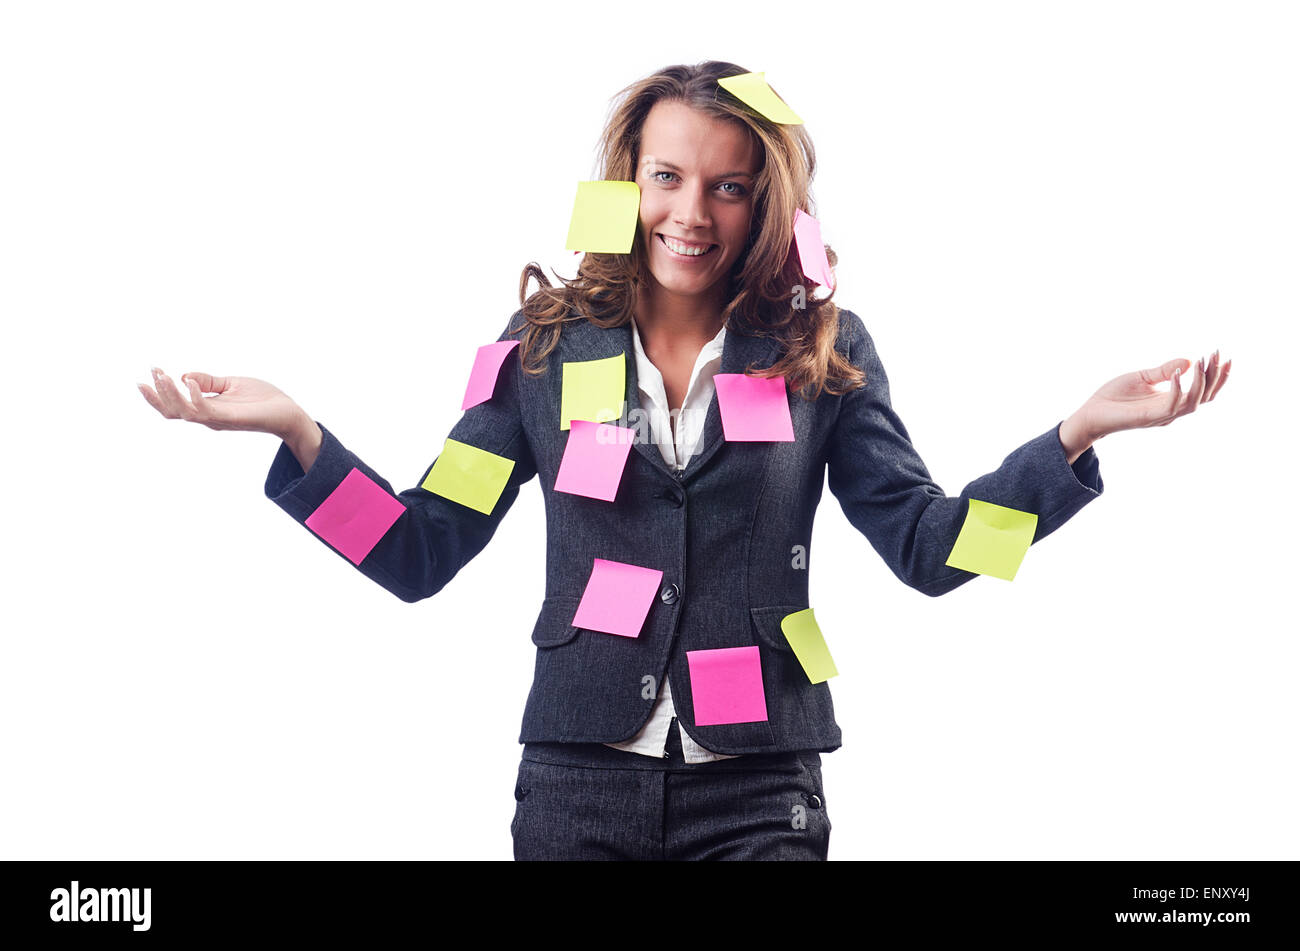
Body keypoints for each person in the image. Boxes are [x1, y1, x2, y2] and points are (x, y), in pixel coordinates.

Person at [138, 61, 1231, 860]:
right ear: (628, 180)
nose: (690, 213)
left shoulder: (821, 353)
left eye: (729, 185)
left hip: (761, 793)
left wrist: (1074, 440)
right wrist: (299, 438)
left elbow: (929, 550)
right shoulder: (542, 349)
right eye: (667, 176)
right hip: (574, 783)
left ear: (770, 202)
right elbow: (422, 552)